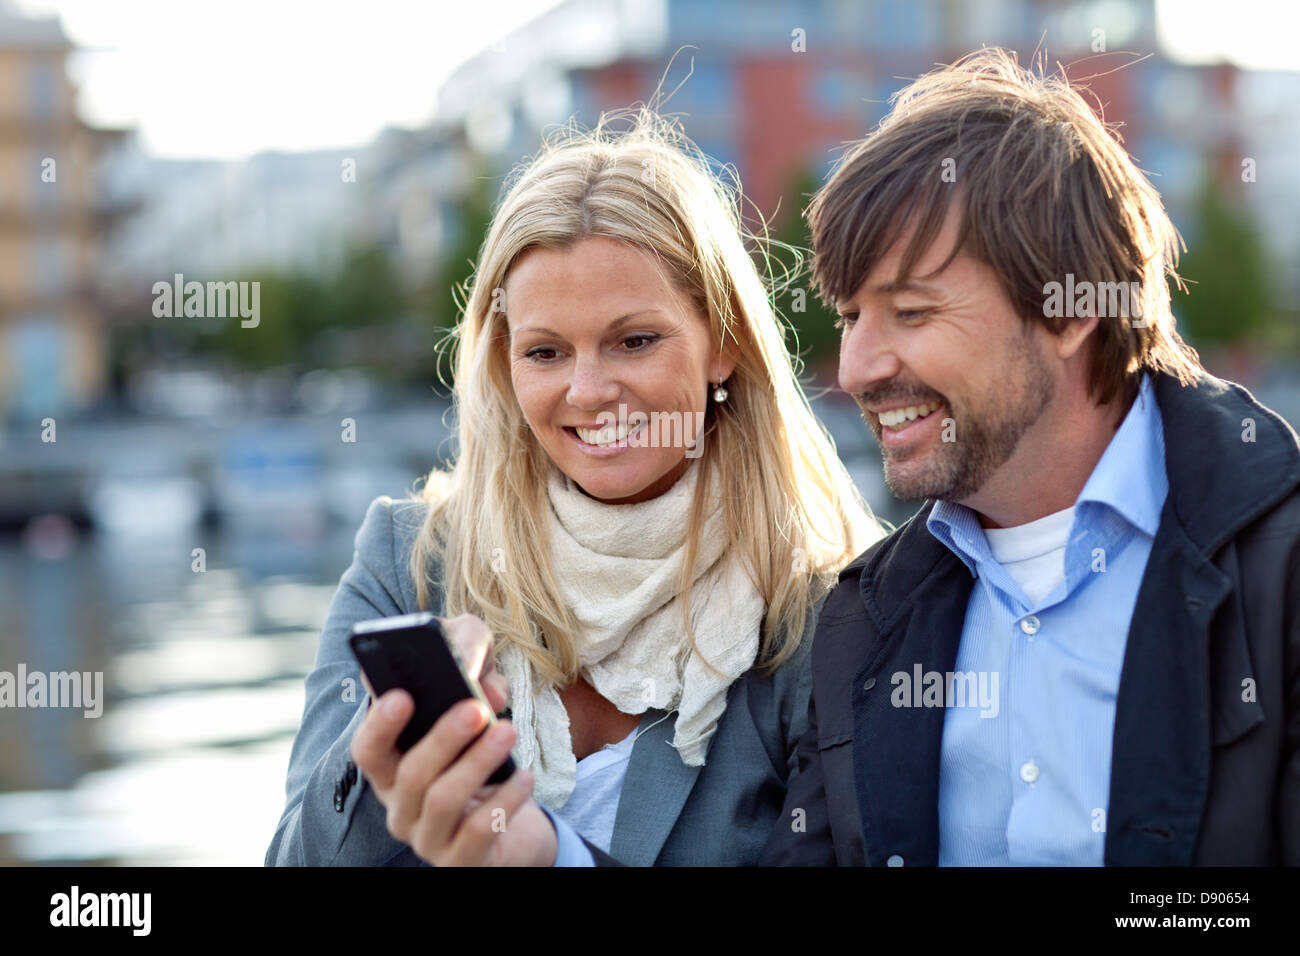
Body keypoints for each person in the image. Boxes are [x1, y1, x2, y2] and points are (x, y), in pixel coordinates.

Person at [265, 108, 881, 866]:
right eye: (547, 352)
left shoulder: (821, 615)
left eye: (634, 341)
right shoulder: (410, 564)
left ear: (723, 344)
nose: (589, 392)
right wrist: (387, 737)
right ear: (505, 364)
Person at [762, 48, 1300, 866]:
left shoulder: (1282, 571)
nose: (860, 368)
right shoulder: (861, 620)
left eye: (910, 312)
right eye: (850, 316)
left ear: (1070, 308)